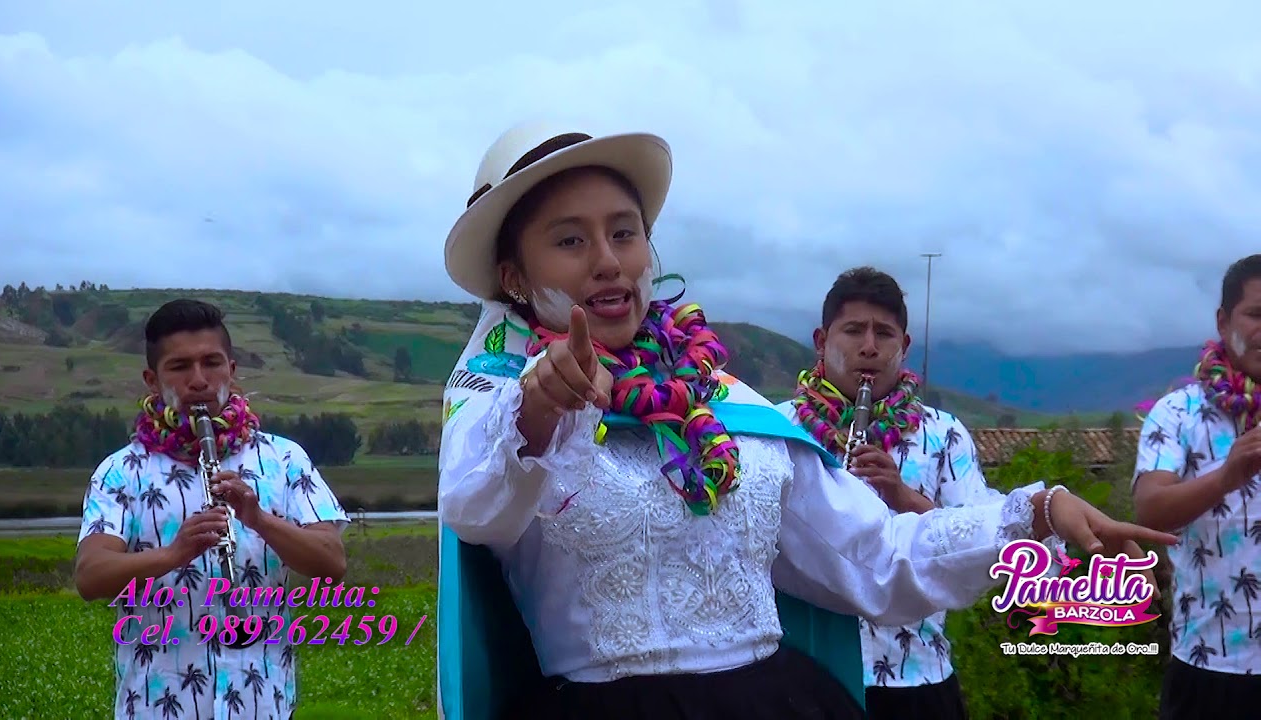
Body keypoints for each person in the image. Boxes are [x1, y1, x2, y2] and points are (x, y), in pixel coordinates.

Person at [435, 122, 1176, 720]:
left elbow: (876, 557)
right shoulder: (500, 408)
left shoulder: (729, 404)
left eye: (624, 233)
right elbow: (474, 510)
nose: (608, 261)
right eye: (570, 240)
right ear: (514, 277)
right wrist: (542, 403)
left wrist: (1033, 514)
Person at [776, 266, 1061, 719]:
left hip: (918, 680)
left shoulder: (944, 434)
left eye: (884, 334)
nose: (869, 347)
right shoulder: (779, 430)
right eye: (853, 331)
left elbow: (989, 547)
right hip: (802, 678)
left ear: (904, 347)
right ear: (821, 341)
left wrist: (905, 498)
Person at [74, 298, 349, 720]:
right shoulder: (120, 470)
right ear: (152, 380)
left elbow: (332, 563)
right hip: (155, 707)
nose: (199, 380)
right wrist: (175, 553)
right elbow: (91, 577)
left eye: (212, 363)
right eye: (180, 367)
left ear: (232, 370)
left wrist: (258, 520)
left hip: (263, 705)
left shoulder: (285, 459)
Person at [1132, 253, 1261, 718]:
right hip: (1209, 668)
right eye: (1256, 314)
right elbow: (1150, 510)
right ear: (1224, 321)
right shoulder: (1178, 412)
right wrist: (1226, 478)